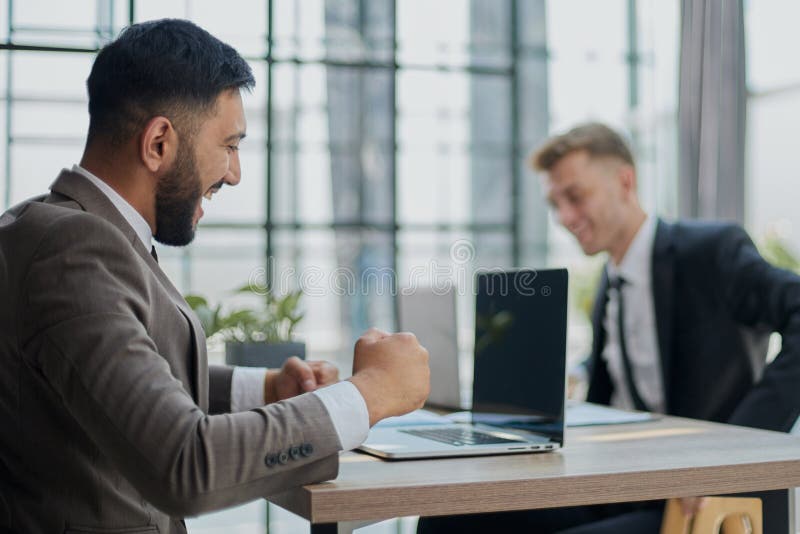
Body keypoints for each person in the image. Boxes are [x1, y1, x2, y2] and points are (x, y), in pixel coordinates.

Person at [0, 19, 429, 533]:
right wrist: (373, 392)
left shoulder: (58, 227)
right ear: (159, 142)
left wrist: (266, 389)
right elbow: (184, 464)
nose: (234, 172)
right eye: (229, 144)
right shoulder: (73, 249)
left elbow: (115, 383)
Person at [418, 122, 800, 533]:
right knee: (446, 523)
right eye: (555, 204)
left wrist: (736, 449)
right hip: (625, 483)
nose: (565, 217)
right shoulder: (609, 281)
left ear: (625, 181)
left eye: (576, 197)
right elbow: (627, 362)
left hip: (697, 497)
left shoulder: (709, 251)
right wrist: (576, 373)